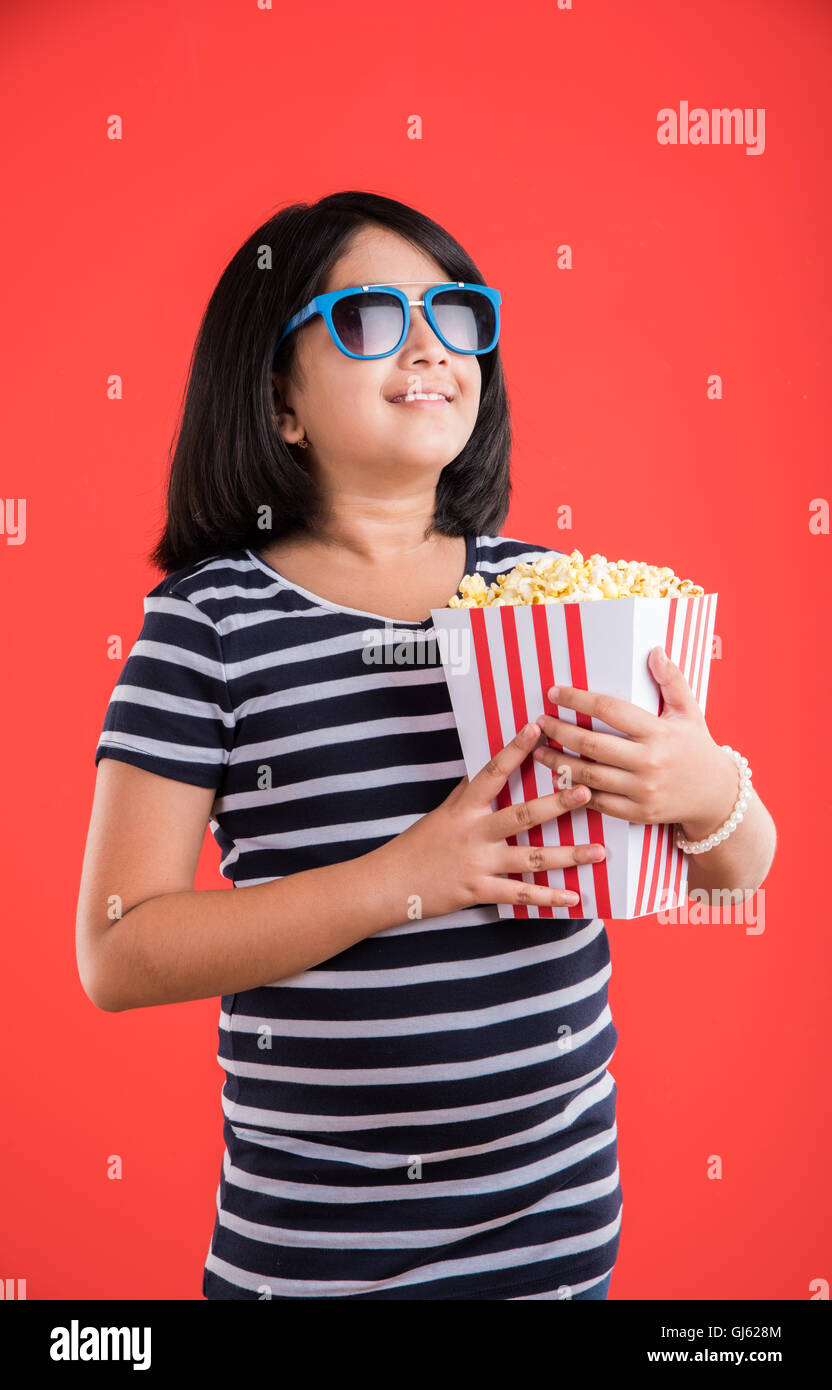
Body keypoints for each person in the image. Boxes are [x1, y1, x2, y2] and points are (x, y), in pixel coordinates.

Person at [76, 190, 775, 1301]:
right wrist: (401, 880)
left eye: (455, 312)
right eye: (368, 315)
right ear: (279, 398)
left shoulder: (557, 598)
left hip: (555, 1231)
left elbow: (737, 866)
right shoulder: (210, 625)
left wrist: (707, 788)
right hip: (314, 1251)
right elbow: (117, 952)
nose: (428, 345)